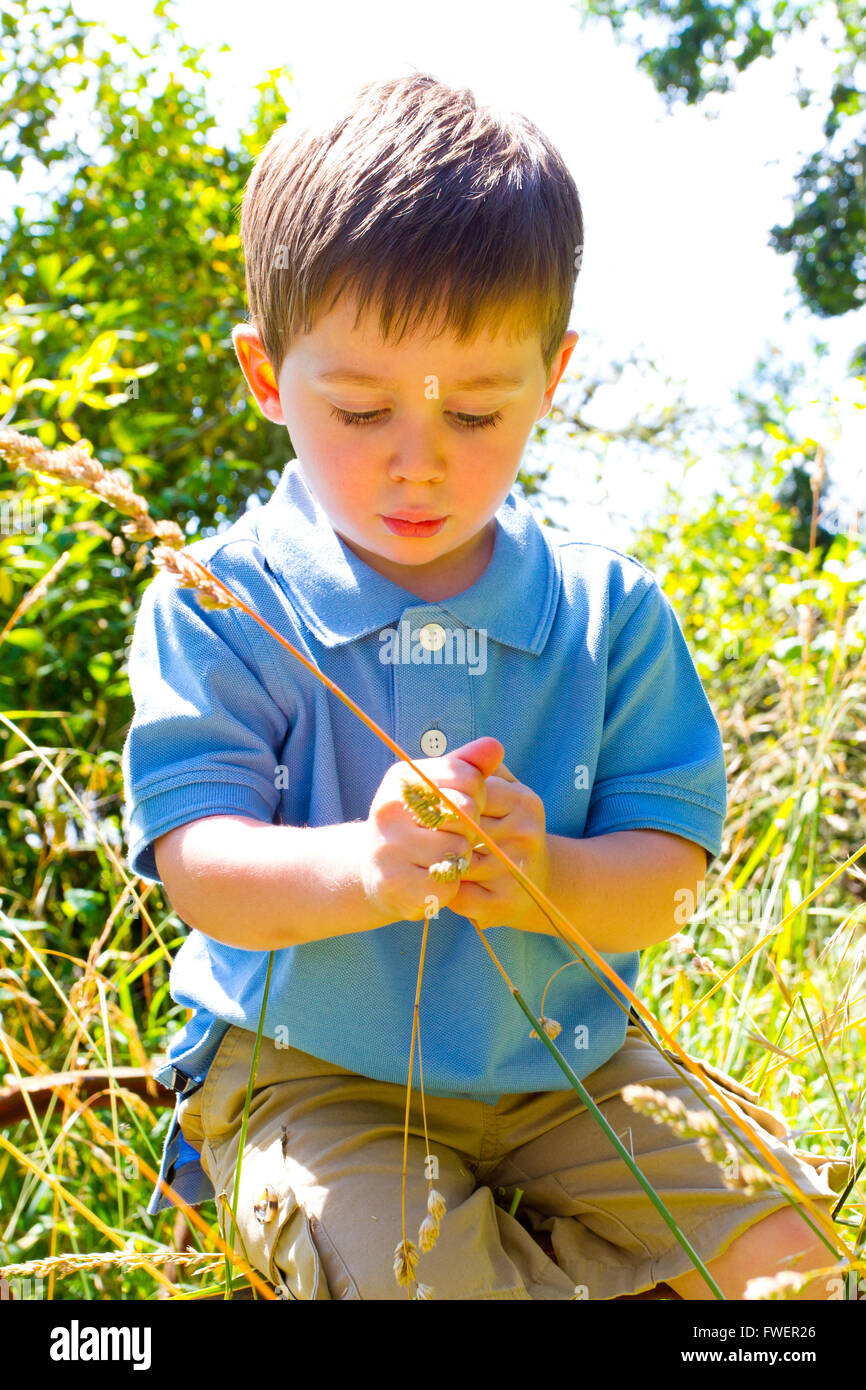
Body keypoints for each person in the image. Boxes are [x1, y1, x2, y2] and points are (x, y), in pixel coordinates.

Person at [122, 73, 848, 1300]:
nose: (418, 461)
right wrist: (365, 867)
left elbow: (664, 872)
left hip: (574, 1066)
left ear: (550, 376)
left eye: (475, 408)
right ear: (264, 377)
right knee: (439, 1285)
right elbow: (201, 868)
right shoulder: (225, 602)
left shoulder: (602, 613)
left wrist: (549, 879)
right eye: (357, 409)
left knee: (793, 1264)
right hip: (308, 1076)